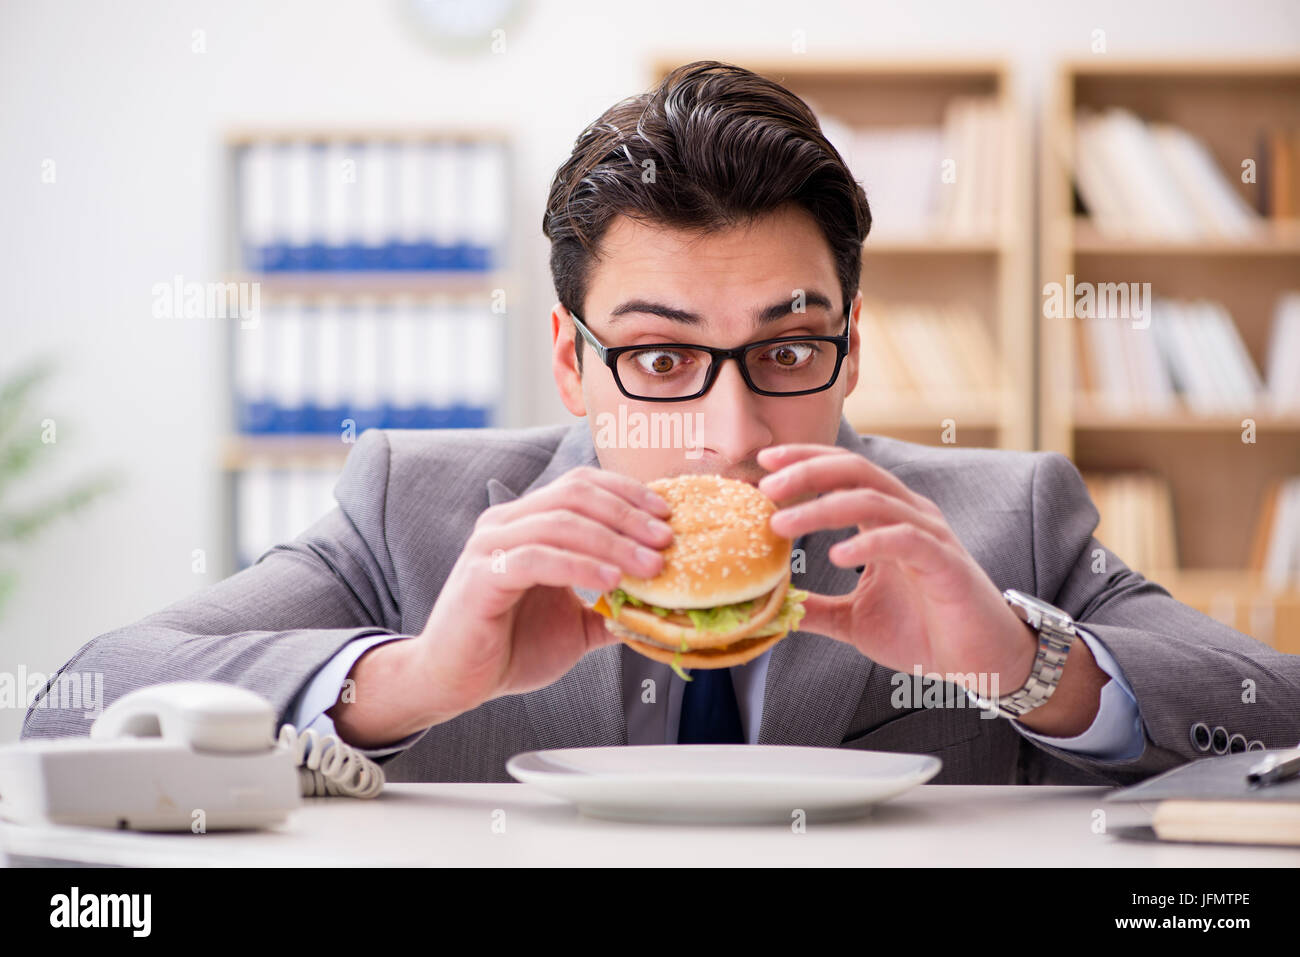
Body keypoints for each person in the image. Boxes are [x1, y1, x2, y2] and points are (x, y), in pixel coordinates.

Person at [23, 60, 1300, 785]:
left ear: (851, 349)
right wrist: (407, 682)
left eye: (789, 348)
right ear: (572, 363)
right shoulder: (416, 507)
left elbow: (1277, 718)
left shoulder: (1002, 522)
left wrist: (1029, 665)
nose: (732, 430)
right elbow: (76, 703)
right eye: (658, 356)